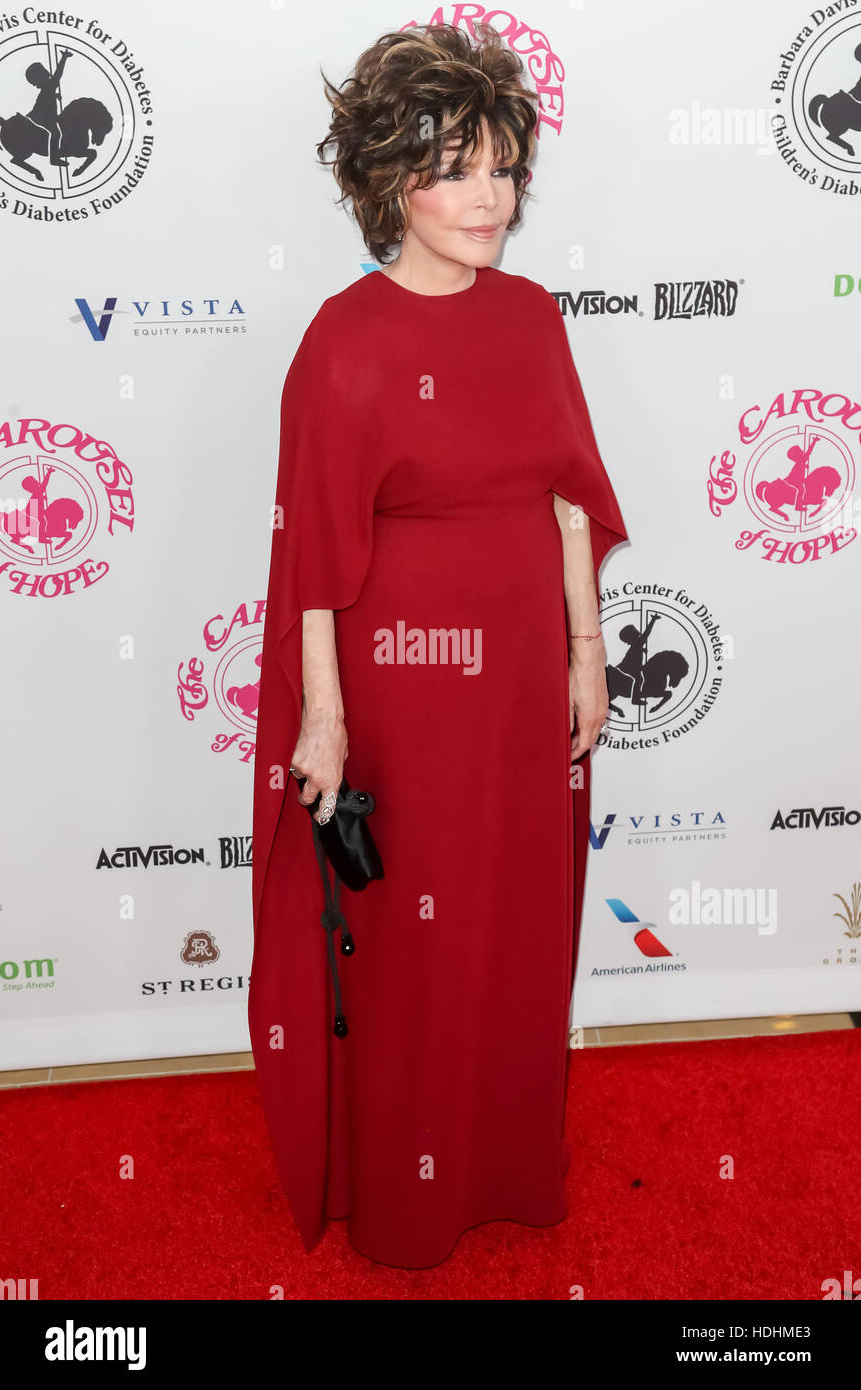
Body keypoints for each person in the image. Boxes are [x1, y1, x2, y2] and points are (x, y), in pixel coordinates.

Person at [248, 20, 629, 1270]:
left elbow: (565, 499)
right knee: (416, 947)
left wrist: (585, 652)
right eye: (454, 169)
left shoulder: (530, 318)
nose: (488, 198)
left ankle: (503, 1164)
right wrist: (325, 716)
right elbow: (310, 557)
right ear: (387, 179)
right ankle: (407, 1194)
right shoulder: (343, 341)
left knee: (514, 927)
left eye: (502, 167)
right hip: (401, 693)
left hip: (519, 679)